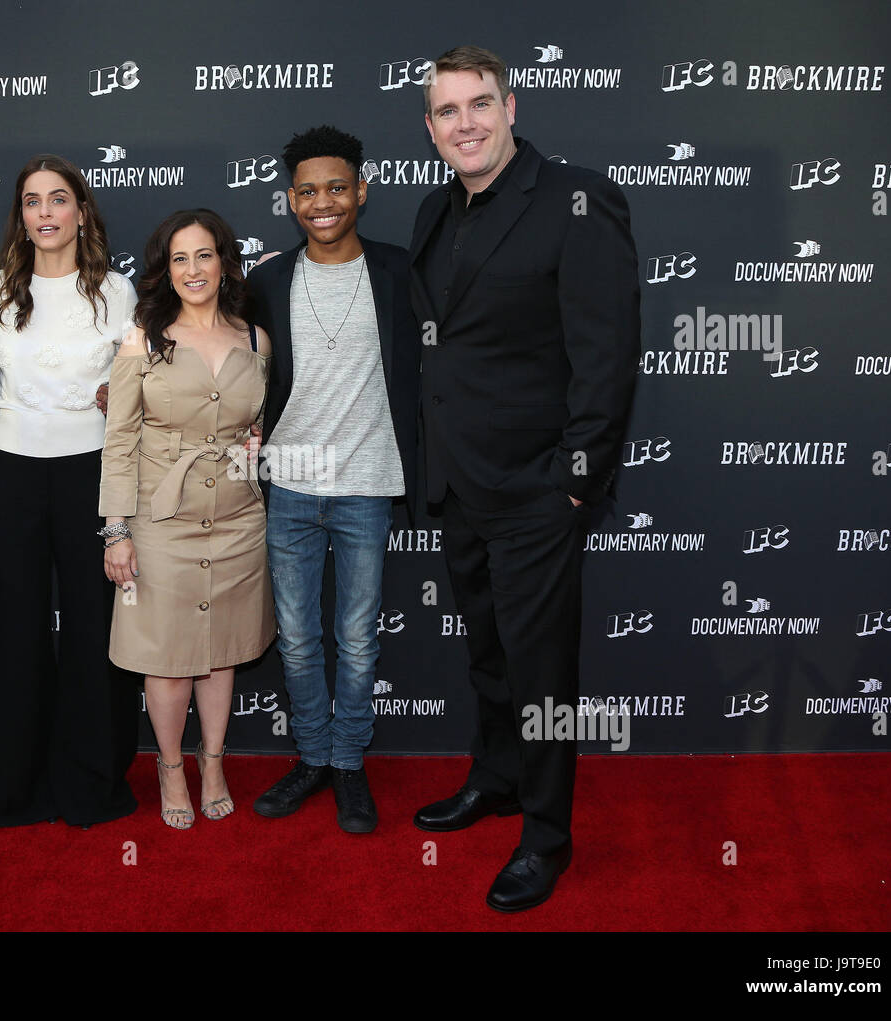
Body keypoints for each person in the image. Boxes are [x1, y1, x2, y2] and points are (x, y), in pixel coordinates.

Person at [408, 46, 640, 910]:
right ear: (428, 127)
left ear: (512, 106)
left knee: (543, 676)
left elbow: (608, 354)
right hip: (459, 482)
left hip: (540, 489)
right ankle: (497, 777)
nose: (464, 122)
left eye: (479, 104)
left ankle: (547, 835)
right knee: (489, 656)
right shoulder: (437, 208)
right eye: (446, 111)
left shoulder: (576, 199)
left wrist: (574, 484)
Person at [246, 125, 420, 834]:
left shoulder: (400, 272)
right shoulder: (267, 279)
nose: (324, 202)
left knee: (356, 636)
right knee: (295, 637)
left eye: (337, 188)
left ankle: (348, 761)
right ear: (291, 199)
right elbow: (228, 364)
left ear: (362, 191)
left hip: (367, 482)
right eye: (309, 190)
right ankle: (313, 755)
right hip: (288, 483)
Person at [0, 155, 138, 829]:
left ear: (81, 211)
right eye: (33, 201)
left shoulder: (119, 292)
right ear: (21, 216)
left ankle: (90, 778)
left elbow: (131, 394)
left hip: (91, 474)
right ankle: (11, 781)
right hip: (9, 471)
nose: (45, 212)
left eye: (58, 199)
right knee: (14, 629)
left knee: (93, 630)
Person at [99, 209, 274, 830]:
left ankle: (215, 760)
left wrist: (253, 443)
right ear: (164, 270)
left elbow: (258, 423)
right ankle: (171, 766)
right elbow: (118, 440)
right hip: (160, 519)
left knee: (221, 654)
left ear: (225, 263)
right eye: (179, 258)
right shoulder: (141, 340)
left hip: (236, 517)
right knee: (168, 657)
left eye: (204, 256)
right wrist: (116, 530)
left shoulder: (256, 340)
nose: (193, 270)